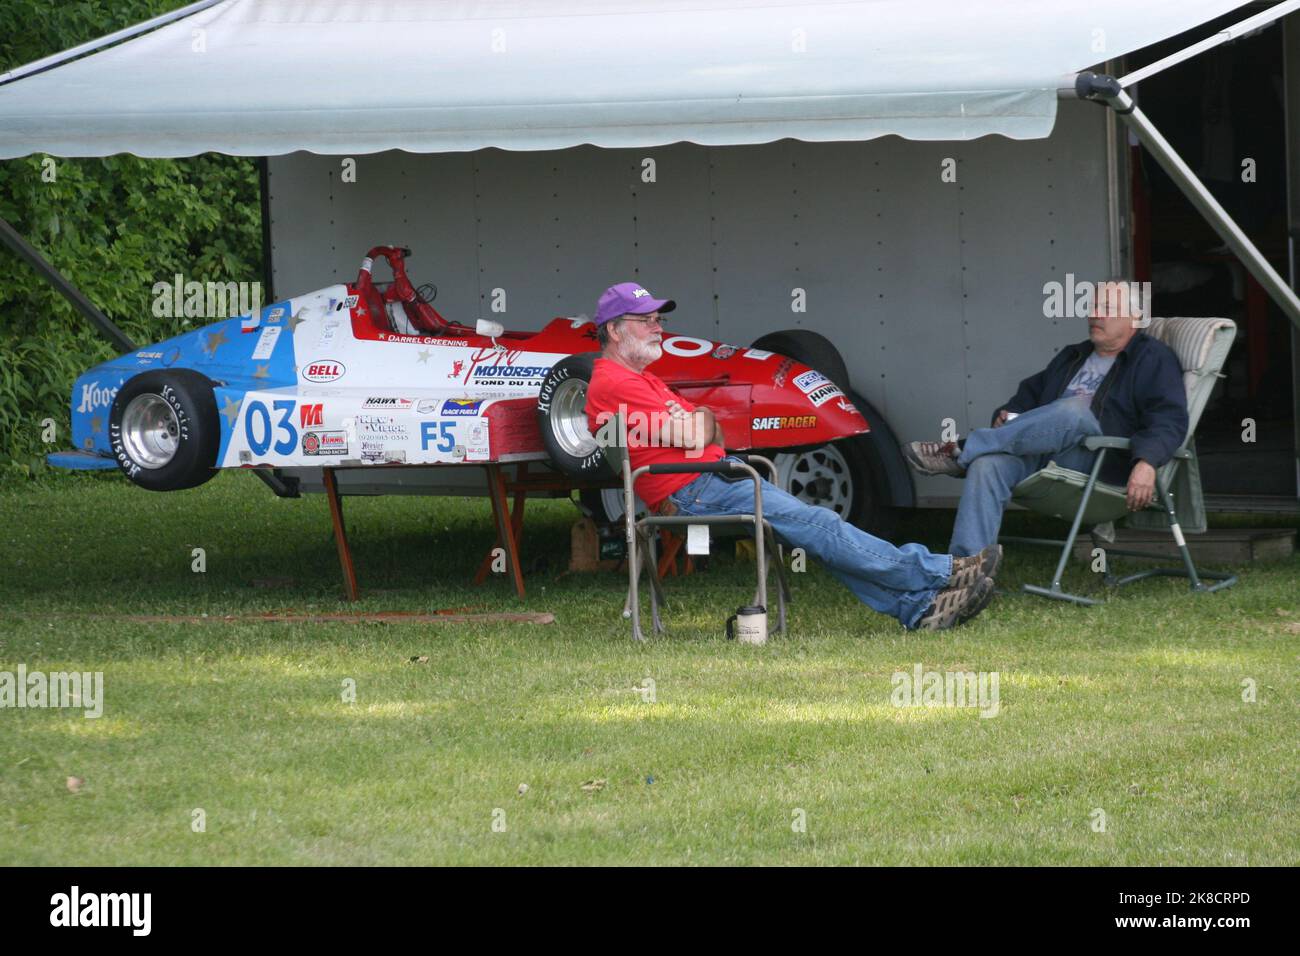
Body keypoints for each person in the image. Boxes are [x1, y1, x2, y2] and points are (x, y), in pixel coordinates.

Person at [583, 282, 999, 631]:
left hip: (712, 478)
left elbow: (714, 429)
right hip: (692, 488)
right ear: (616, 331)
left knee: (816, 534)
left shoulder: (643, 379)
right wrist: (693, 422)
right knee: (820, 523)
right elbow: (697, 430)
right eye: (648, 320)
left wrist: (696, 422)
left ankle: (919, 608)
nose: (659, 328)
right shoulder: (615, 382)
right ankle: (939, 572)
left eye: (659, 319)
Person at [904, 281, 1189, 557]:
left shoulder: (1153, 359)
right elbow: (1030, 395)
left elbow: (1169, 419)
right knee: (987, 464)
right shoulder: (1074, 354)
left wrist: (1147, 461)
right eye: (1092, 307)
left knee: (1073, 409)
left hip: (1099, 461)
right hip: (1046, 454)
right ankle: (968, 570)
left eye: (1107, 308)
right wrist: (1006, 415)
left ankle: (961, 451)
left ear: (1135, 318)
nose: (1095, 314)